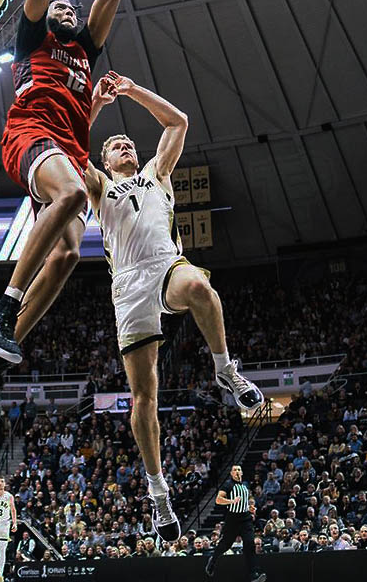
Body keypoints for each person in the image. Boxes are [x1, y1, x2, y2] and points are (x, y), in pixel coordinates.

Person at [0, 0, 125, 423]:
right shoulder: (33, 37)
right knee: (77, 191)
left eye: (70, 7)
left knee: (68, 256)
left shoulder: (85, 51)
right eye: (59, 4)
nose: (65, 7)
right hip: (28, 135)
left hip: (66, 150)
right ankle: (3, 307)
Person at [86, 73, 264, 540]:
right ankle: (158, 494)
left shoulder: (155, 173)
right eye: (116, 145)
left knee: (202, 289)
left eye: (128, 142)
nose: (125, 146)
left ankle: (226, 370)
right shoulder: (101, 188)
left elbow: (179, 121)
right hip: (127, 287)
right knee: (145, 395)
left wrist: (129, 89)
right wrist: (98, 105)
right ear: (105, 160)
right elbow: (66, 148)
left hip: (166, 264)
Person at [206, 466, 264, 582]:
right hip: (232, 519)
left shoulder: (244, 486)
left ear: (241, 472)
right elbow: (218, 500)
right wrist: (231, 501)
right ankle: (212, 562)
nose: (237, 471)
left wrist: (249, 508)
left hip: (245, 519)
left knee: (249, 544)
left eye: (239, 469)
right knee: (225, 545)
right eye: (235, 470)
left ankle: (254, 574)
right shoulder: (228, 485)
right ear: (231, 473)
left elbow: (242, 502)